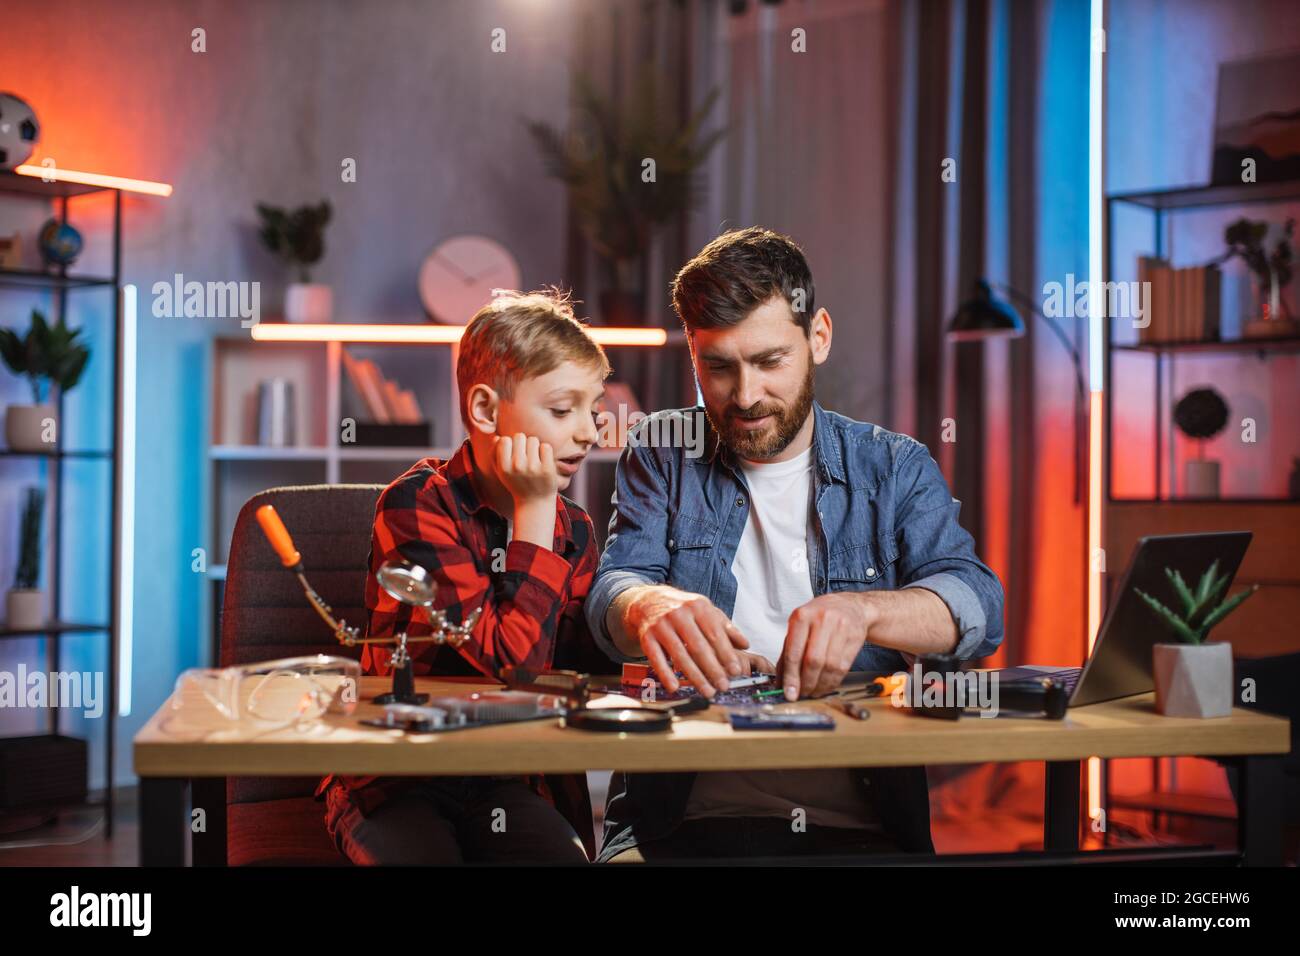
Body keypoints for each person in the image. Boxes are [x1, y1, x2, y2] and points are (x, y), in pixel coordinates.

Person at [585, 227, 1006, 862]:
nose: (745, 395)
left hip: (860, 827)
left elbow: (979, 605)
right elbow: (612, 593)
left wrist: (865, 611)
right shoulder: (662, 450)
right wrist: (646, 605)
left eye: (769, 361)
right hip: (674, 820)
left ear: (819, 338)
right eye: (718, 367)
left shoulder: (893, 465)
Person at [317, 288, 610, 864]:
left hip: (505, 778)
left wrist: (662, 635)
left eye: (592, 410)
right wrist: (532, 515)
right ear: (483, 411)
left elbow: (578, 667)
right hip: (400, 777)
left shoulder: (574, 526)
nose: (588, 433)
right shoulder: (415, 504)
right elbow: (516, 665)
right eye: (561, 410)